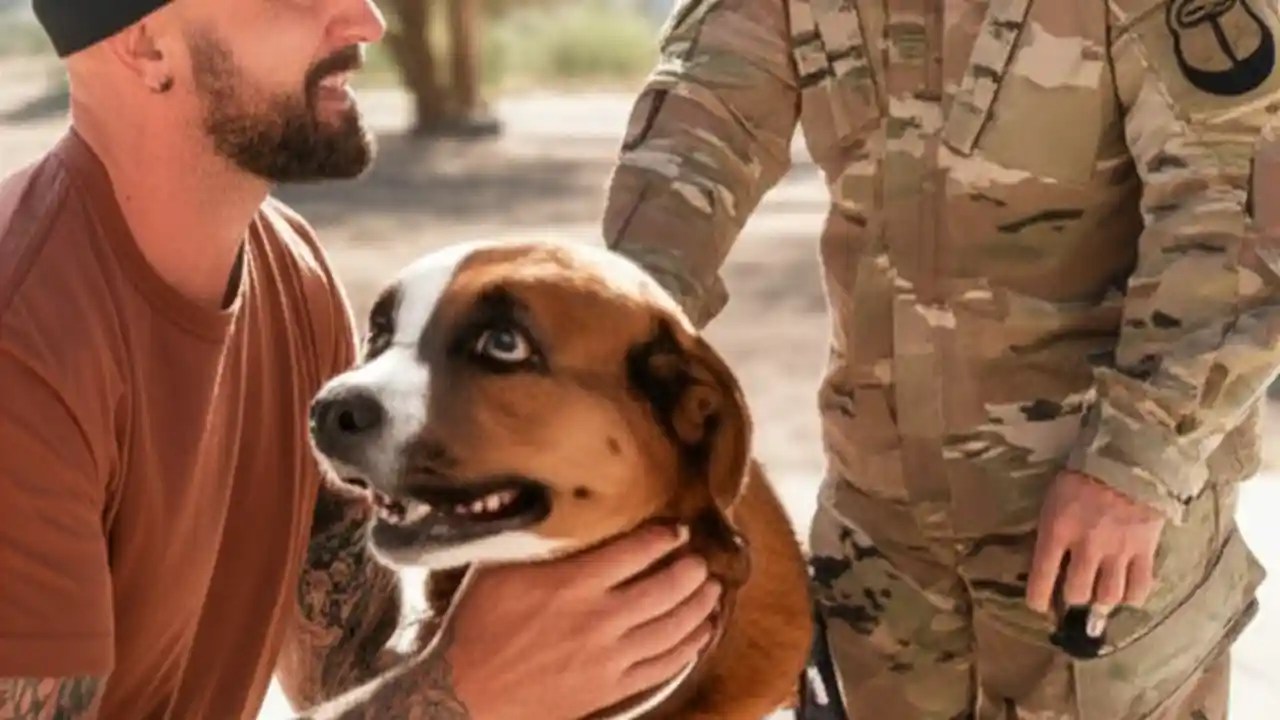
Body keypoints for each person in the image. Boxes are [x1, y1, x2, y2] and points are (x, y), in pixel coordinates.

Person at [0, 1, 720, 718]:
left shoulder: (293, 273)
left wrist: (568, 618)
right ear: (150, 48)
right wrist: (469, 690)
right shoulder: (24, 346)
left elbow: (349, 671)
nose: (365, 20)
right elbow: (440, 697)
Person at [601, 0, 1280, 717]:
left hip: (1100, 540)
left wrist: (1135, 464)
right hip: (882, 555)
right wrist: (620, 379)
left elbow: (1235, 211)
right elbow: (696, 137)